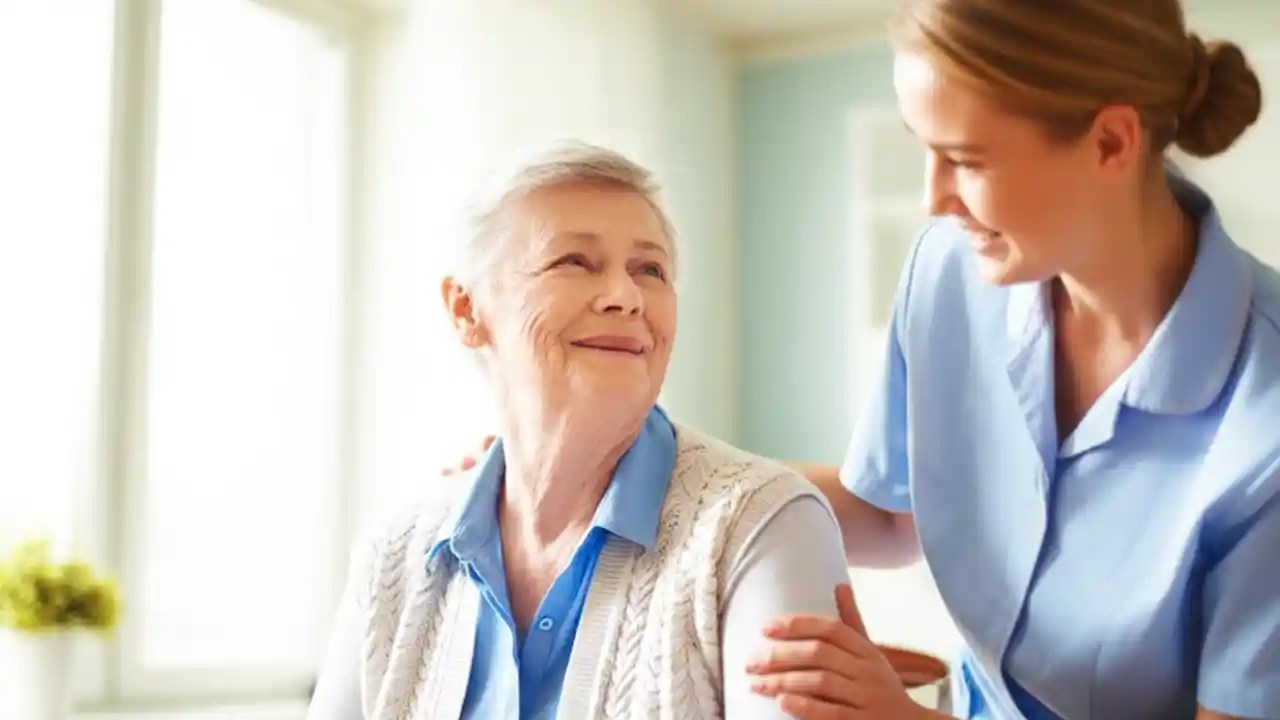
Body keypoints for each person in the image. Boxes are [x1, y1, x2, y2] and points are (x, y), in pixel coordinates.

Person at [741, 1, 1277, 719]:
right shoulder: (948, 273)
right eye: (923, 149)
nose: (934, 200)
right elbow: (892, 512)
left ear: (1112, 143)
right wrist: (684, 476)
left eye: (966, 160)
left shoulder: (1265, 419)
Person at [304, 141, 858, 719]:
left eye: (651, 270)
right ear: (466, 309)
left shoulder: (762, 524)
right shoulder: (394, 550)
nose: (626, 297)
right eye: (575, 262)